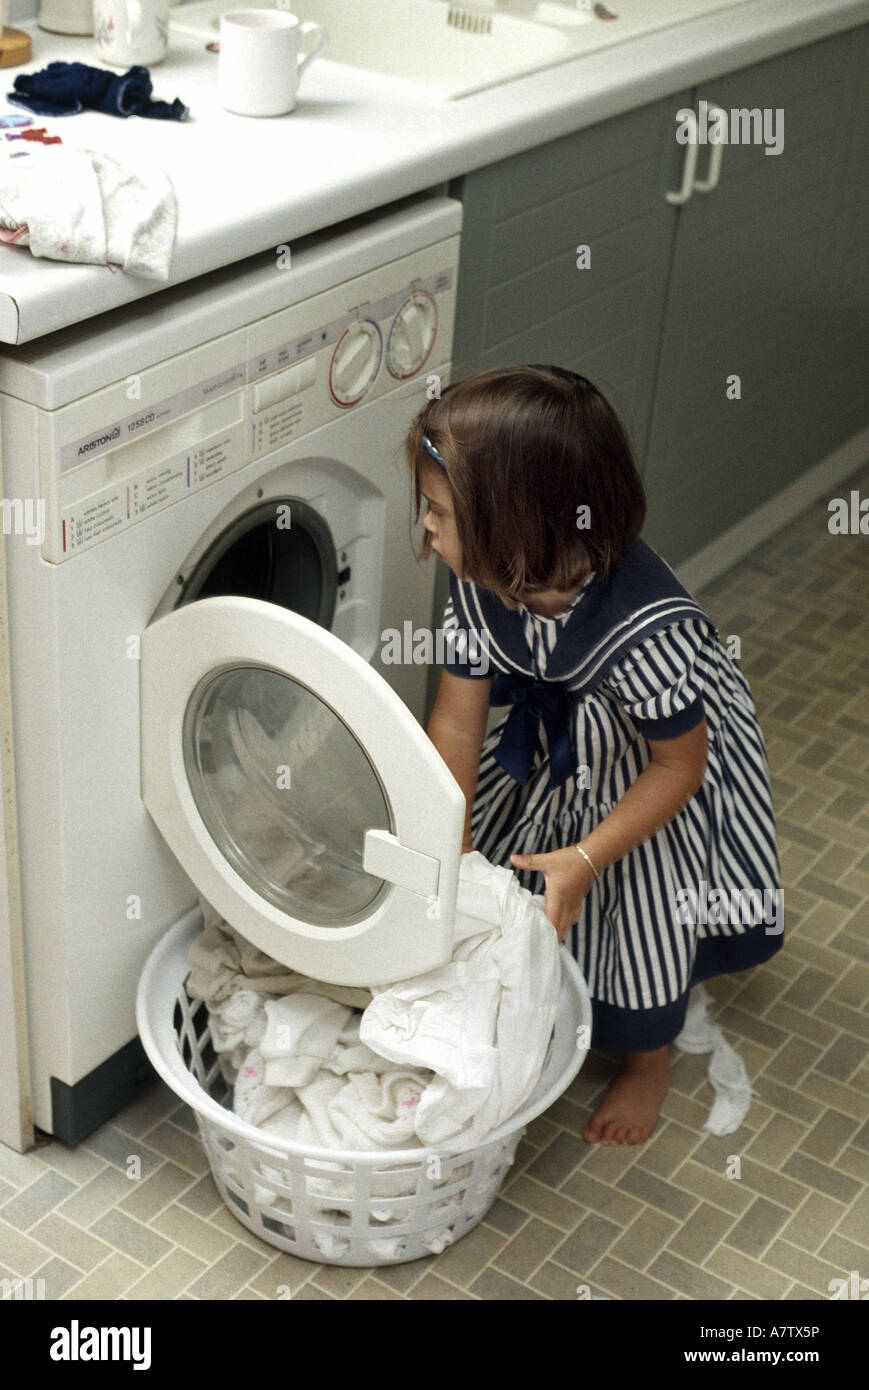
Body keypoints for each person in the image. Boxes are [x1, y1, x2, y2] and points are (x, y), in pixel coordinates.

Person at [408, 364, 783, 1145]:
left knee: (642, 912)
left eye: (438, 512)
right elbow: (457, 725)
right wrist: (452, 845)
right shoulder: (483, 574)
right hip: (559, 746)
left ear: (516, 527)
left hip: (653, 775)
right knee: (516, 873)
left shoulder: (647, 629)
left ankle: (647, 1058)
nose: (426, 529)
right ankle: (544, 989)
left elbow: (678, 768)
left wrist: (586, 855)